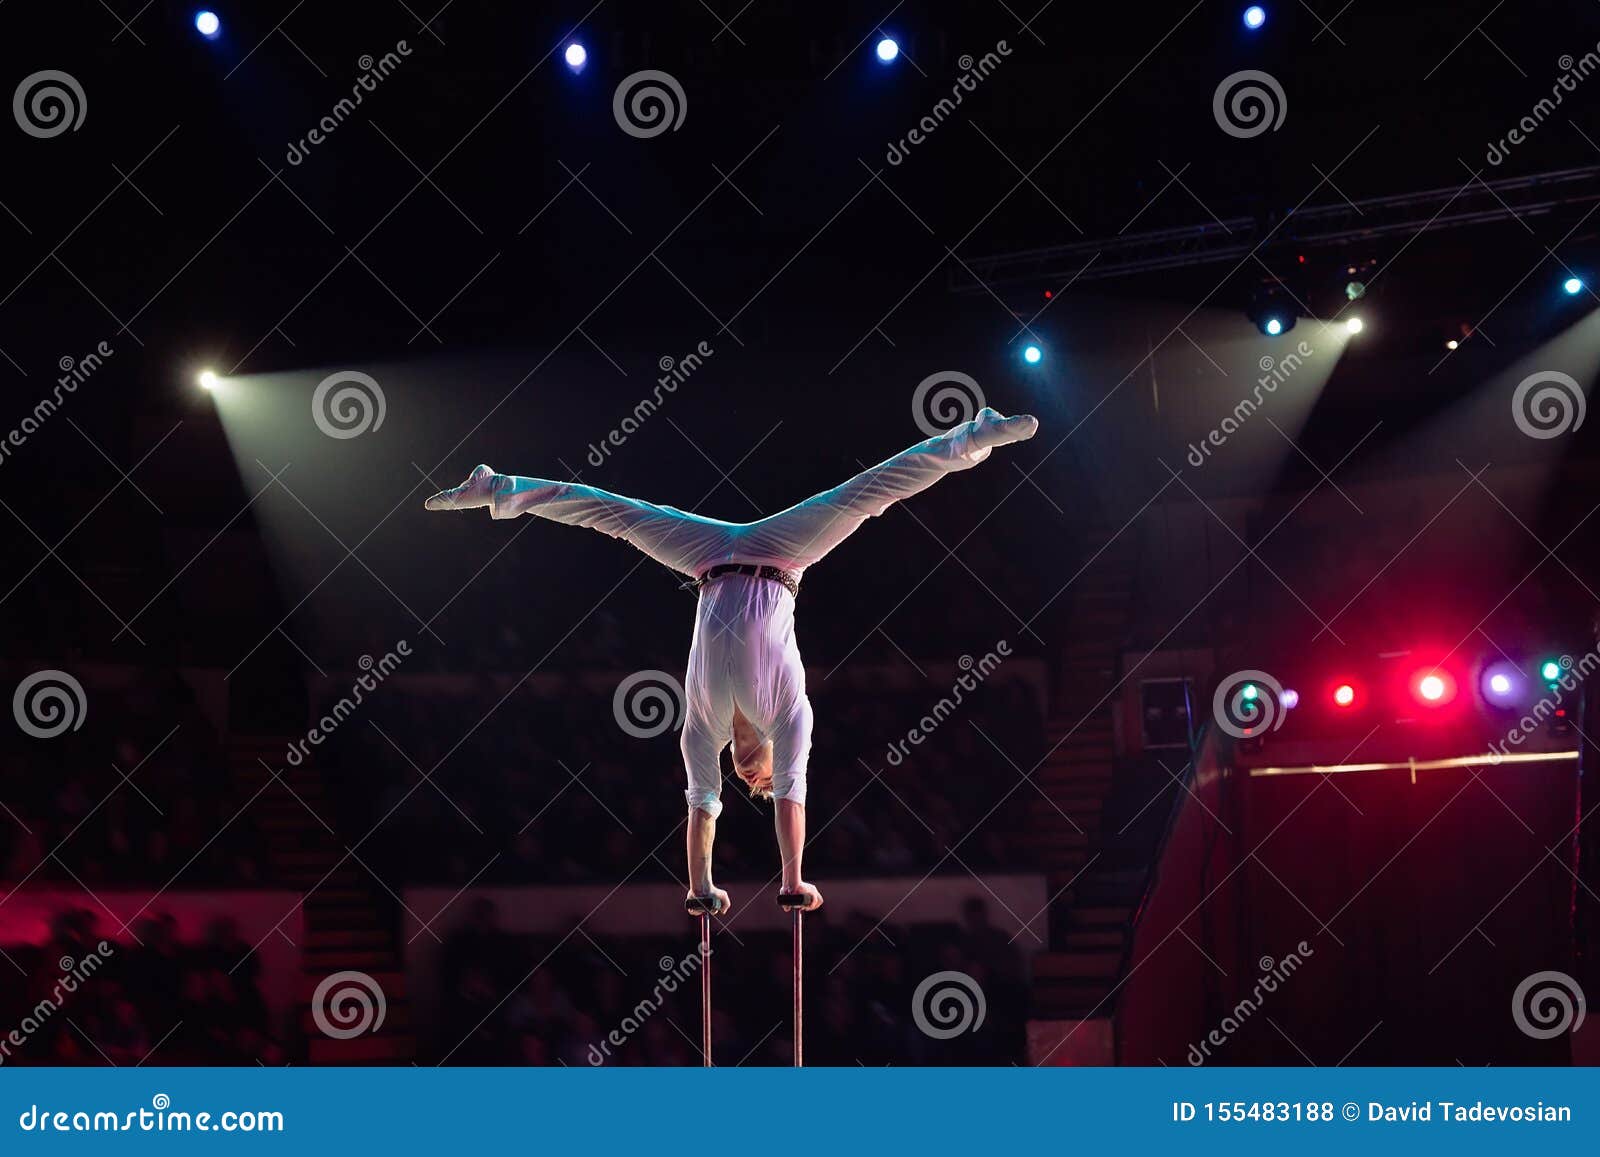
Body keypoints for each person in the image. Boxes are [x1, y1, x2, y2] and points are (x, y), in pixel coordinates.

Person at [425, 407, 1039, 916]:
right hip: (781, 556)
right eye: (765, 780)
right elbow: (792, 803)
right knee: (865, 497)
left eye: (752, 783)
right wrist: (793, 879)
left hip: (707, 562)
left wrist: (700, 888)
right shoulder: (791, 719)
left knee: (609, 514)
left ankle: (498, 488)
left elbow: (700, 811)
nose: (757, 779)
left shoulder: (701, 729)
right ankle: (971, 439)